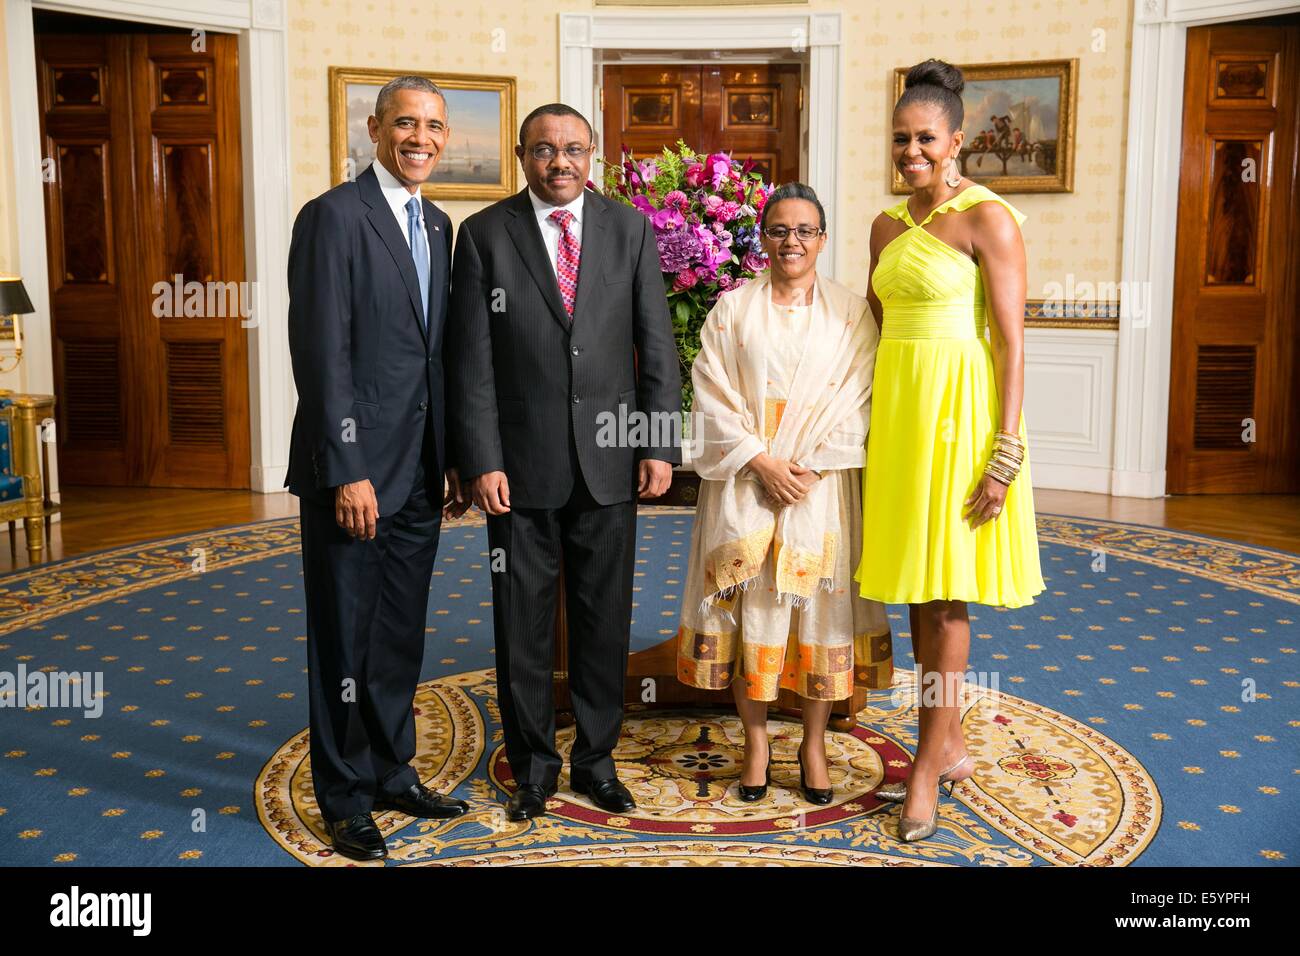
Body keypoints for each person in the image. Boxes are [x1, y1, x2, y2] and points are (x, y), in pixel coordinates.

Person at [446, 103, 681, 822]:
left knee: (603, 618)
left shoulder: (629, 229)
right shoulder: (484, 234)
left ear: (593, 155)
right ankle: (534, 769)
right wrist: (481, 458)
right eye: (545, 150)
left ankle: (597, 761)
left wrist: (657, 443)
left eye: (574, 149)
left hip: (611, 459)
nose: (560, 163)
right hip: (518, 469)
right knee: (521, 624)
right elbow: (471, 362)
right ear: (523, 156)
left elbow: (656, 345)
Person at [857, 59, 1046, 843]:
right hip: (899, 418)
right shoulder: (883, 226)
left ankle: (928, 763)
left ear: (956, 138)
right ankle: (954, 741)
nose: (911, 151)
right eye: (900, 138)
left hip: (963, 421)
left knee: (948, 593)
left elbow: (1010, 342)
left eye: (925, 137)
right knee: (910, 584)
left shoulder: (988, 218)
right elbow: (872, 328)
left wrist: (1005, 453)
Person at [286, 75, 469, 862]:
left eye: (432, 125)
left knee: (397, 636)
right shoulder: (331, 217)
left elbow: (440, 357)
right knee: (345, 642)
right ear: (373, 129)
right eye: (404, 123)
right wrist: (347, 469)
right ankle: (344, 795)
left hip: (422, 474)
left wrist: (455, 460)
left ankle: (393, 769)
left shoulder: (438, 223)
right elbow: (321, 354)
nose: (419, 138)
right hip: (355, 473)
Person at [677, 183, 893, 804]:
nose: (791, 241)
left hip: (818, 490)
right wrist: (761, 461)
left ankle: (814, 741)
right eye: (778, 229)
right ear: (762, 237)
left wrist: (811, 468)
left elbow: (861, 393)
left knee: (819, 612)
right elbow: (711, 391)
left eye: (804, 230)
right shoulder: (732, 309)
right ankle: (756, 742)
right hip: (747, 480)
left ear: (822, 239)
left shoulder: (851, 313)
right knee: (751, 613)